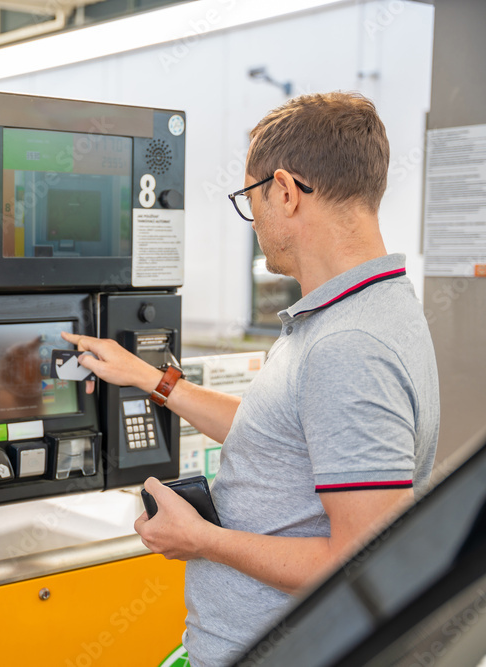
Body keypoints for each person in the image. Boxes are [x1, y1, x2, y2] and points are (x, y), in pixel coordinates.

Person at [63, 92, 439, 666]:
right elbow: (288, 437)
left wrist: (201, 540)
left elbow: (364, 559)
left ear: (285, 191)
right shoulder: (358, 312)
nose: (254, 218)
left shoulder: (349, 345)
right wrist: (152, 380)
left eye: (250, 197)